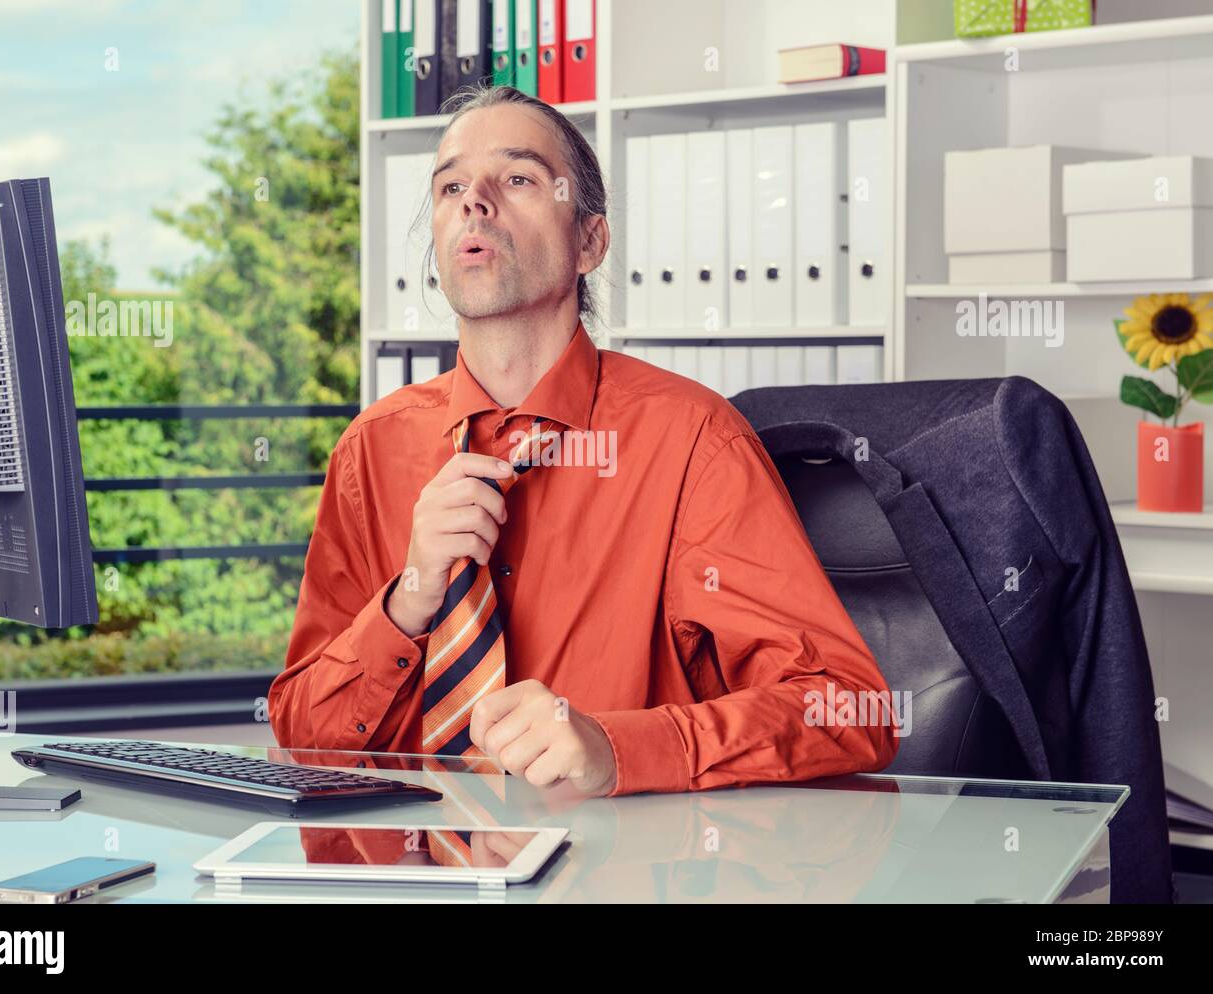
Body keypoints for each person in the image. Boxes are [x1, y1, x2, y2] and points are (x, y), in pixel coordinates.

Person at [269, 84, 898, 798]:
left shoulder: (692, 441)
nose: (474, 200)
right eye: (449, 186)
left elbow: (848, 710)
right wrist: (408, 600)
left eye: (517, 178)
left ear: (590, 241)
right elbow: (300, 735)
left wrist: (620, 747)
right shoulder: (370, 452)